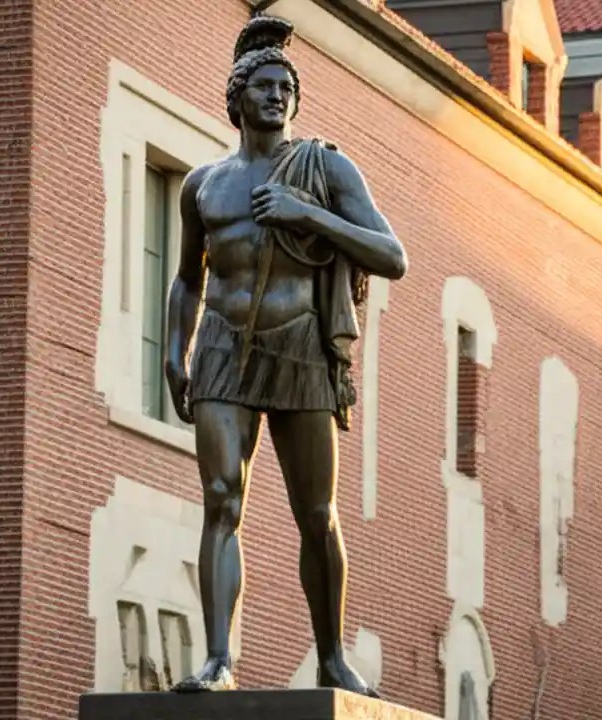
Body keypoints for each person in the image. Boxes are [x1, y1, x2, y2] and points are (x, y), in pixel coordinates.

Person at [164, 14, 407, 696]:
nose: (278, 96)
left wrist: (309, 216)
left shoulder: (325, 167)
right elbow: (189, 278)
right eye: (264, 85)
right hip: (222, 347)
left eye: (286, 87)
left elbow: (393, 256)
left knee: (317, 514)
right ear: (237, 96)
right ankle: (218, 660)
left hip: (300, 346)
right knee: (220, 499)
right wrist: (173, 355)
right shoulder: (203, 185)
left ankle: (331, 657)